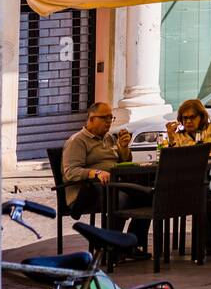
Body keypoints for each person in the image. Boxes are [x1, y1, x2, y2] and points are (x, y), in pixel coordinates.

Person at [61, 101, 151, 256]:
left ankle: (132, 244)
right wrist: (94, 173)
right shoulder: (78, 141)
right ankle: (110, 246)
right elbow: (71, 171)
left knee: (148, 197)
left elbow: (121, 163)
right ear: (91, 119)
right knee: (121, 200)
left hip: (113, 185)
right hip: (87, 192)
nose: (109, 122)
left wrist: (123, 148)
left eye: (111, 118)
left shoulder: (108, 138)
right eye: (104, 118)